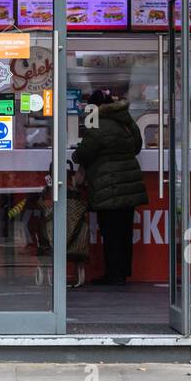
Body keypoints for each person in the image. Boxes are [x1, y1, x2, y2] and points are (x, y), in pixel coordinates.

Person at [73, 89, 145, 287]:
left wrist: (75, 156)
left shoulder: (98, 123)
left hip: (109, 186)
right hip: (128, 184)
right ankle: (122, 272)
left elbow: (85, 152)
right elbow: (137, 145)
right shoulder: (125, 120)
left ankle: (113, 274)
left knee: (111, 232)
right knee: (124, 231)